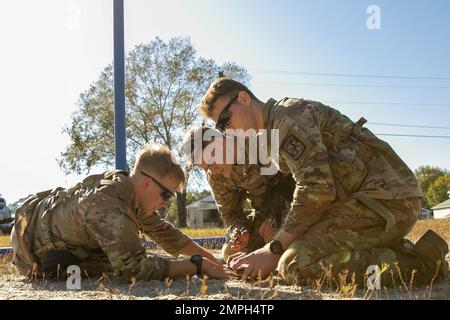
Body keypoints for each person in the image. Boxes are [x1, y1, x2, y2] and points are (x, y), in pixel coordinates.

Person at [197, 77, 448, 286]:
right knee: (287, 249)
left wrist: (273, 248)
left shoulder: (287, 119)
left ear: (243, 98)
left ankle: (422, 264)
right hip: (361, 203)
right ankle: (392, 250)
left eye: (225, 120)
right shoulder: (271, 132)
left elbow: (317, 189)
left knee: (295, 263)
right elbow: (301, 193)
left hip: (386, 200)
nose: (225, 130)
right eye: (220, 127)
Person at [11, 144, 235, 281]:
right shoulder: (110, 206)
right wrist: (197, 265)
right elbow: (135, 270)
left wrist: (212, 260)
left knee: (111, 260)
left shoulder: (131, 194)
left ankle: (75, 262)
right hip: (29, 245)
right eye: (166, 195)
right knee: (114, 265)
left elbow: (168, 235)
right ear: (147, 183)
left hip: (50, 226)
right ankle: (63, 265)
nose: (166, 203)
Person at [182, 126, 295, 261]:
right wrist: (240, 231)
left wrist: (278, 220)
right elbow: (230, 213)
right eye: (206, 167)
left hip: (297, 210)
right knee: (229, 253)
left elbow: (300, 185)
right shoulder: (215, 176)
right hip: (264, 218)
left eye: (212, 161)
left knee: (288, 254)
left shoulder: (258, 144)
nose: (213, 170)